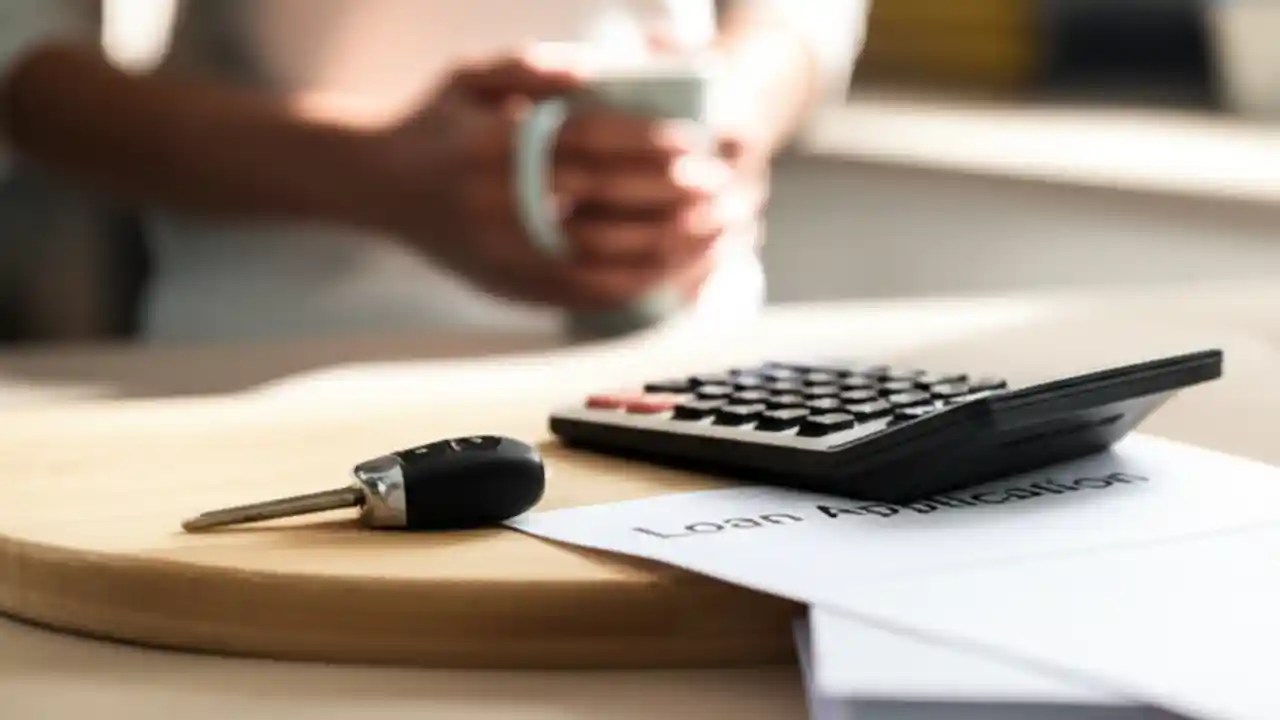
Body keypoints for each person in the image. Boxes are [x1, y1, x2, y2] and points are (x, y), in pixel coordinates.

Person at [0, 1, 866, 341]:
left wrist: (730, 117)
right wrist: (367, 172)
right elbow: (22, 58)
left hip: (677, 351)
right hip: (261, 358)